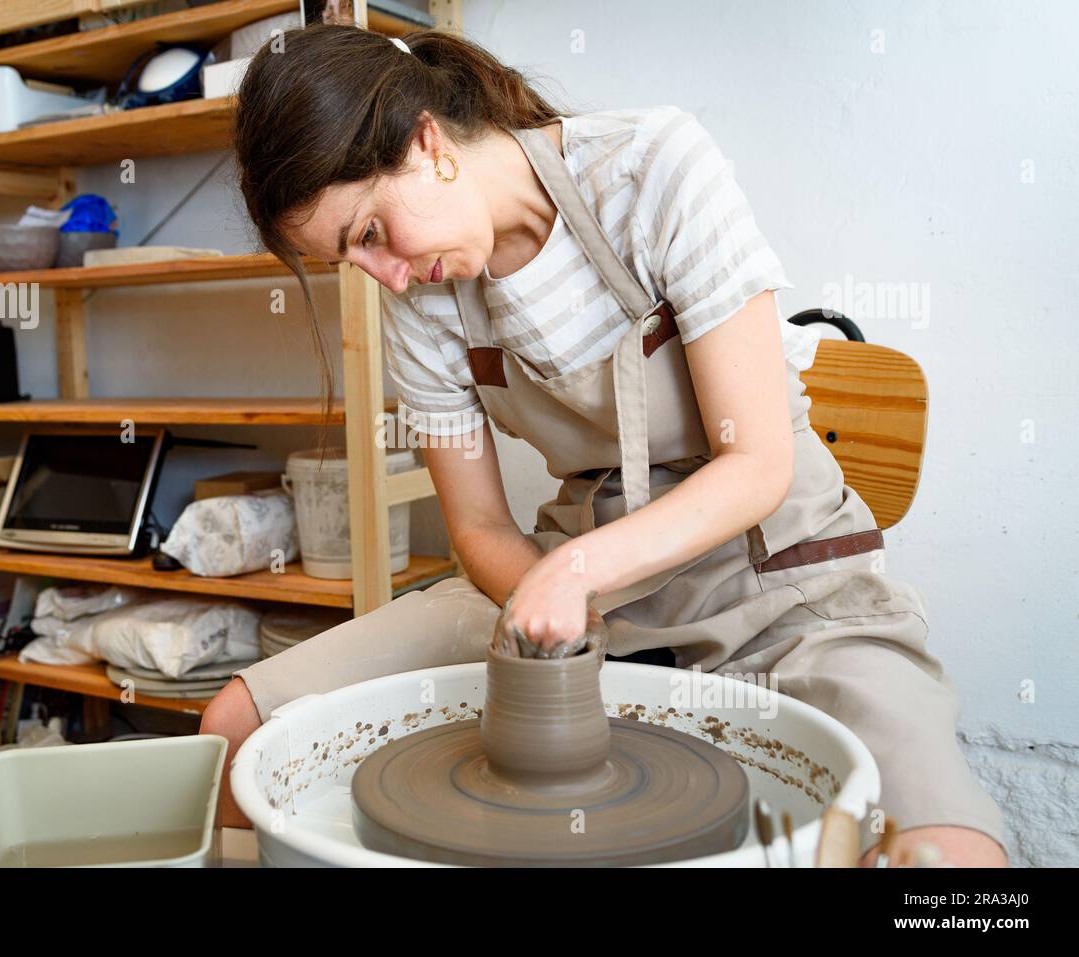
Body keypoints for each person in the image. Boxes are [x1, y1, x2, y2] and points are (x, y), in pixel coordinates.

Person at [203, 23, 1007, 867]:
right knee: (235, 727)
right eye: (353, 261)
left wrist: (579, 573)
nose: (387, 277)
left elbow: (758, 464)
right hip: (576, 586)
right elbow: (480, 528)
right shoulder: (422, 300)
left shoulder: (651, 171)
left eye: (370, 232)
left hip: (775, 579)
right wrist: (556, 607)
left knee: (948, 861)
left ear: (428, 144)